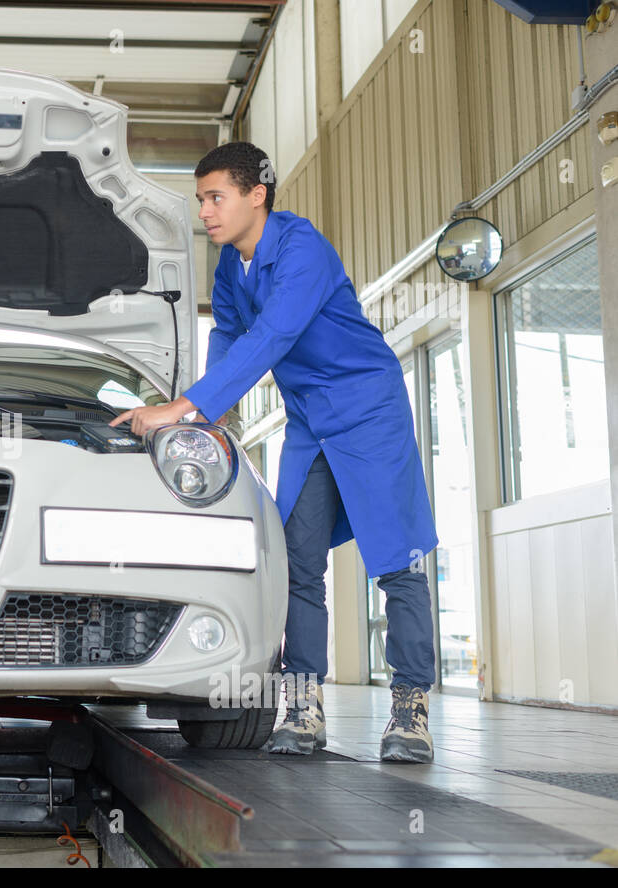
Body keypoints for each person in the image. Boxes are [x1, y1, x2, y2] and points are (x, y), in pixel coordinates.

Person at [111, 141, 439, 763]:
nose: (205, 212)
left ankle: (411, 707)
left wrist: (182, 409)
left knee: (399, 558)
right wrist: (206, 427)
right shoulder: (231, 269)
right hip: (311, 422)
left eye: (216, 198)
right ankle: (304, 704)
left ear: (256, 195)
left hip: (368, 410)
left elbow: (273, 334)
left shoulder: (302, 249)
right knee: (297, 561)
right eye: (201, 199)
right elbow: (230, 339)